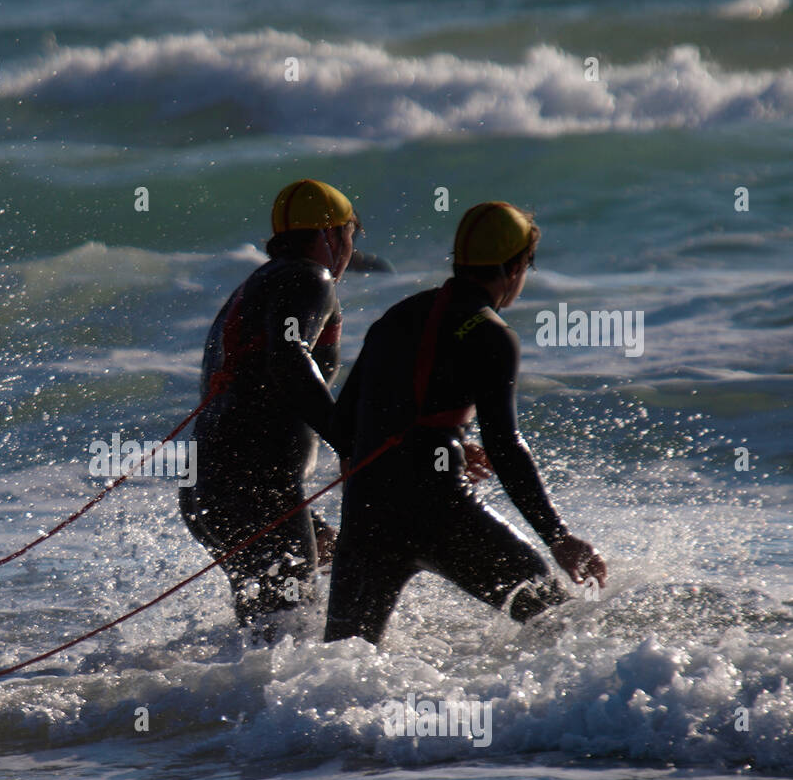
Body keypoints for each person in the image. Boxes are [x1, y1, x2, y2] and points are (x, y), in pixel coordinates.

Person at [325, 201, 606, 644]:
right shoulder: (491, 334)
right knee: (561, 628)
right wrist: (558, 535)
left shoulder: (398, 315)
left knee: (338, 661)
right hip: (442, 514)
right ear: (516, 266)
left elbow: (343, 422)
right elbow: (504, 445)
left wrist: (424, 444)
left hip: (368, 517)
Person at [180, 179, 358, 639]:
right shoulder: (309, 278)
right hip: (258, 490)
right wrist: (348, 440)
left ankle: (205, 702)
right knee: (283, 639)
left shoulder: (256, 285)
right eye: (350, 234)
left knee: (320, 569)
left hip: (211, 489)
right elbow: (289, 355)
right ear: (330, 236)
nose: (351, 250)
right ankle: (257, 709)